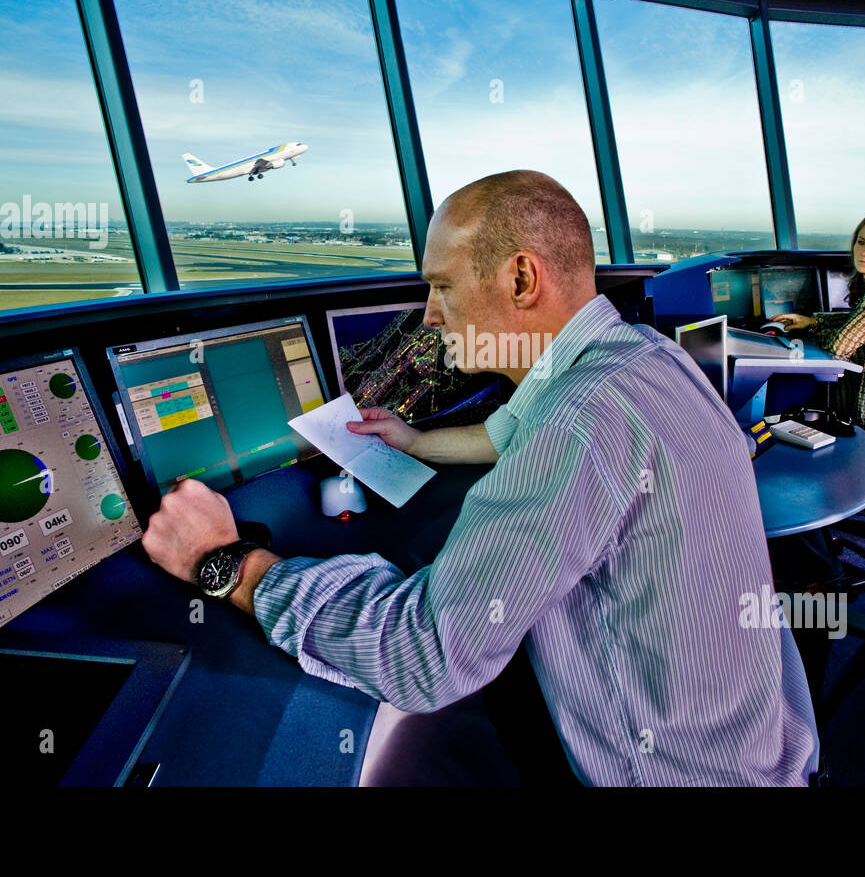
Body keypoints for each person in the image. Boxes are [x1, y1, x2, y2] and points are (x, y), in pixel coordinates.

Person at [140, 170, 819, 787]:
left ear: (521, 279)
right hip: (767, 753)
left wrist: (224, 561)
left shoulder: (578, 423)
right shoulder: (648, 359)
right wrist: (416, 441)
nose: (430, 314)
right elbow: (518, 427)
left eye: (442, 285)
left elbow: (422, 654)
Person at [771, 210, 865, 465]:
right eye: (861, 242)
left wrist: (811, 330)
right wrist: (813, 321)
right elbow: (860, 320)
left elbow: (839, 345)